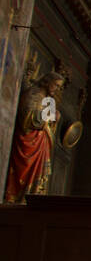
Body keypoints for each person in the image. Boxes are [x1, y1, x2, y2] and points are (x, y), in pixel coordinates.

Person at [5, 58, 68, 203]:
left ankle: (31, 197)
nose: (57, 89)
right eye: (56, 85)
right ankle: (18, 197)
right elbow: (27, 117)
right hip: (29, 143)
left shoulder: (49, 100)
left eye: (59, 87)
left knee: (38, 178)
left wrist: (54, 118)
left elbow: (50, 124)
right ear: (47, 81)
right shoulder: (33, 94)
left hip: (41, 146)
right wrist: (48, 117)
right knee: (24, 172)